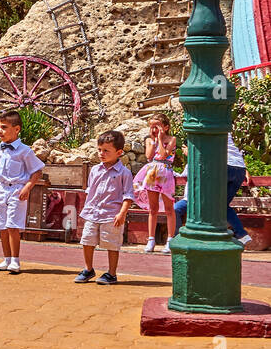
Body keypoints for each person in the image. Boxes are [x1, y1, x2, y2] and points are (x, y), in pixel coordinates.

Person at [0, 110, 45, 274]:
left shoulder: (24, 151)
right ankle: (6, 259)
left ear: (16, 129)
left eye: (4, 127)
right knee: (1, 226)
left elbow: (37, 171)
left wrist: (28, 187)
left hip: (16, 190)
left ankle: (15, 261)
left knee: (12, 225)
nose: (0, 131)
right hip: (0, 191)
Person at [73, 131, 134, 285]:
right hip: (93, 213)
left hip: (112, 215)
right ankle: (88, 269)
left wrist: (122, 214)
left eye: (106, 150)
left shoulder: (124, 173)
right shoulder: (94, 170)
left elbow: (128, 196)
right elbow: (90, 191)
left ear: (119, 152)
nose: (101, 153)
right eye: (99, 149)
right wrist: (86, 209)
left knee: (112, 243)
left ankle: (111, 274)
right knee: (87, 240)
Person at [172, 133, 253, 246]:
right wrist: (245, 171)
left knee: (208, 202)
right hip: (239, 169)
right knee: (222, 206)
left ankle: (204, 237)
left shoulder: (206, 129)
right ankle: (242, 235)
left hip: (223, 166)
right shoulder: (225, 128)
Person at [133, 114, 177, 253]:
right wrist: (153, 141)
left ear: (166, 127)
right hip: (152, 172)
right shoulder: (149, 141)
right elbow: (149, 156)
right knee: (153, 208)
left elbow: (164, 155)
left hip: (165, 172)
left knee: (169, 209)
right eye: (151, 127)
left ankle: (170, 239)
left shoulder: (172, 139)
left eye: (157, 126)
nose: (154, 130)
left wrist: (160, 139)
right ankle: (151, 239)